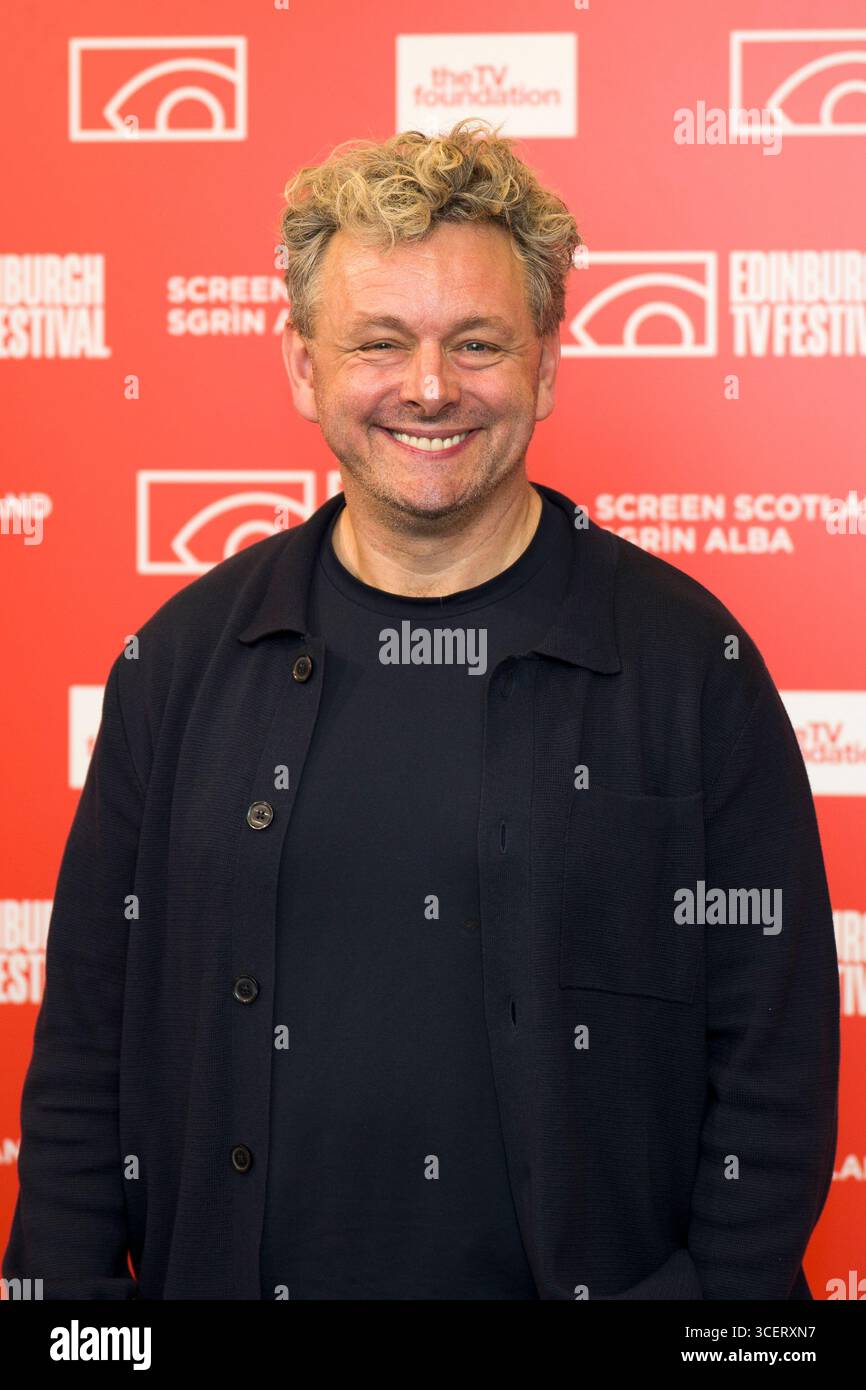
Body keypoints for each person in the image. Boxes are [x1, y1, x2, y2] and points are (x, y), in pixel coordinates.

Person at [3, 118, 839, 1300]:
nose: (430, 387)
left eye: (478, 342)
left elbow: (773, 1067)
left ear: (546, 361)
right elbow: (85, 1056)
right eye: (379, 342)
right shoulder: (177, 668)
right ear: (303, 367)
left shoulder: (688, 667)